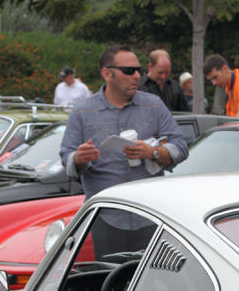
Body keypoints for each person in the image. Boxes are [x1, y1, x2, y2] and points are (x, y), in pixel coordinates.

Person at [59, 45, 188, 255]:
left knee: (154, 285)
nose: (137, 76)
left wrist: (153, 152)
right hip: (106, 218)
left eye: (138, 70)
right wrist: (80, 158)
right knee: (110, 283)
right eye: (129, 71)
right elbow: (66, 158)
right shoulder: (83, 112)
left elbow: (181, 147)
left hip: (151, 215)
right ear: (107, 73)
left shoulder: (153, 105)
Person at [203, 54, 239, 120]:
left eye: (215, 77)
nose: (214, 83)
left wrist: (231, 129)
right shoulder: (229, 86)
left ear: (224, 68)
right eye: (211, 80)